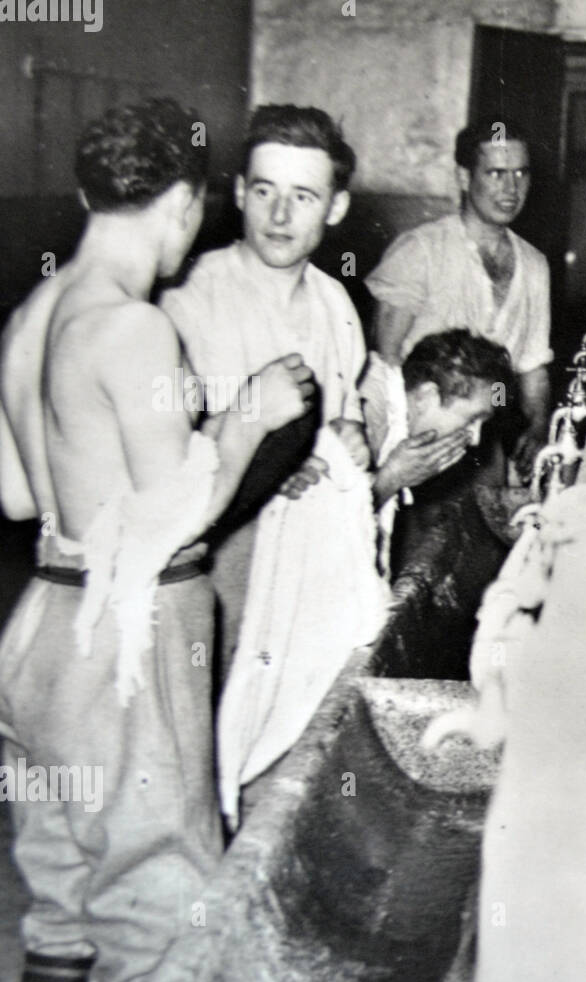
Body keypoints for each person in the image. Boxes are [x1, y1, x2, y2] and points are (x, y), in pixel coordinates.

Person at [0, 98, 311, 982]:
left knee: (61, 906)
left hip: (43, 632)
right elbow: (175, 513)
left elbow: (17, 497)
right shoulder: (136, 330)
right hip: (129, 646)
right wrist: (249, 418)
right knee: (156, 910)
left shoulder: (33, 316)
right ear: (184, 201)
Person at [161, 105, 389, 827]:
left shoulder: (335, 304)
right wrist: (261, 463)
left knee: (292, 733)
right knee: (203, 743)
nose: (280, 214)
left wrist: (354, 437)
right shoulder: (190, 297)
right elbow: (164, 460)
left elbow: (348, 410)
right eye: (263, 190)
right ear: (237, 190)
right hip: (218, 562)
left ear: (337, 206)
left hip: (307, 570)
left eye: (304, 196)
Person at [366, 118, 552, 482]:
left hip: (485, 448)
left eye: (520, 174)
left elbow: (533, 365)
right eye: (496, 173)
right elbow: (384, 364)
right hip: (417, 451)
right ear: (465, 178)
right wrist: (391, 460)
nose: (511, 188)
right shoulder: (419, 251)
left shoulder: (535, 264)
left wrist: (540, 426)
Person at [359, 327, 515, 575]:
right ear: (427, 395)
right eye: (472, 420)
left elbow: (503, 390)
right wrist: (391, 479)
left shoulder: (490, 382)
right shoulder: (367, 412)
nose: (474, 439)